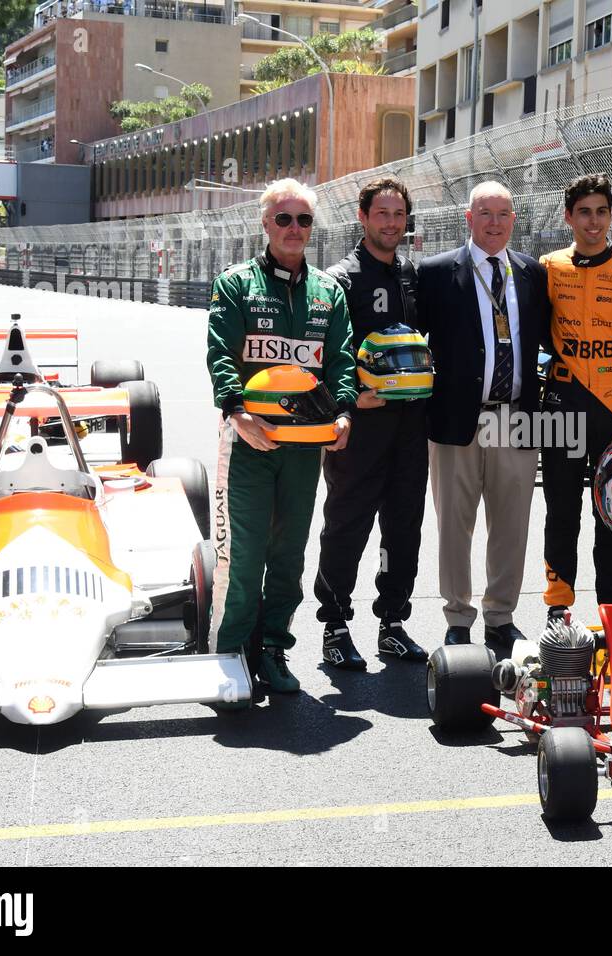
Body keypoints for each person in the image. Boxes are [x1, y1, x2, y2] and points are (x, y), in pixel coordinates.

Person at [206, 178, 358, 701]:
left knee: (289, 556)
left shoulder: (328, 292)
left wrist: (343, 414)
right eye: (284, 219)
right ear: (266, 224)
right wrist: (236, 409)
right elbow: (220, 352)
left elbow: (341, 360)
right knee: (242, 558)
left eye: (304, 220)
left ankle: (272, 649)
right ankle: (230, 654)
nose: (294, 229)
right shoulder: (235, 285)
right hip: (249, 442)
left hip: (304, 448)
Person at [415, 181, 551, 647]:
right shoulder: (434, 272)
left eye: (504, 214)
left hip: (517, 415)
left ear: (514, 220)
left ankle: (500, 616)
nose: (495, 222)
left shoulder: (533, 274)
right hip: (457, 418)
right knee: (455, 523)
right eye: (486, 213)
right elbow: (412, 344)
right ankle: (457, 617)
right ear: (468, 219)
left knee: (512, 523)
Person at [313, 177, 429, 670]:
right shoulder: (340, 279)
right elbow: (317, 355)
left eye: (398, 214)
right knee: (348, 523)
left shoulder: (411, 275)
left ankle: (393, 623)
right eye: (381, 213)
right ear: (362, 218)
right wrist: (349, 399)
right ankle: (336, 625)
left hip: (409, 424)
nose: (391, 223)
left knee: (404, 525)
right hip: (361, 427)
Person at [541, 174, 612, 623]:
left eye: (602, 211)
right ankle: (558, 606)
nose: (594, 221)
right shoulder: (549, 268)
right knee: (560, 511)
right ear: (569, 216)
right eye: (584, 212)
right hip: (560, 408)